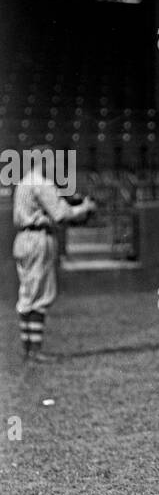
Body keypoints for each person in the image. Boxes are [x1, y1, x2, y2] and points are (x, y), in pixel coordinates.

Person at [11, 151, 96, 362]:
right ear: (42, 161)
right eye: (51, 162)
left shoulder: (23, 182)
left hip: (22, 239)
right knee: (40, 294)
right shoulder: (42, 183)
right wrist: (84, 207)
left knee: (27, 293)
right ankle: (35, 351)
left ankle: (28, 348)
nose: (54, 166)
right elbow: (60, 214)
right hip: (38, 238)